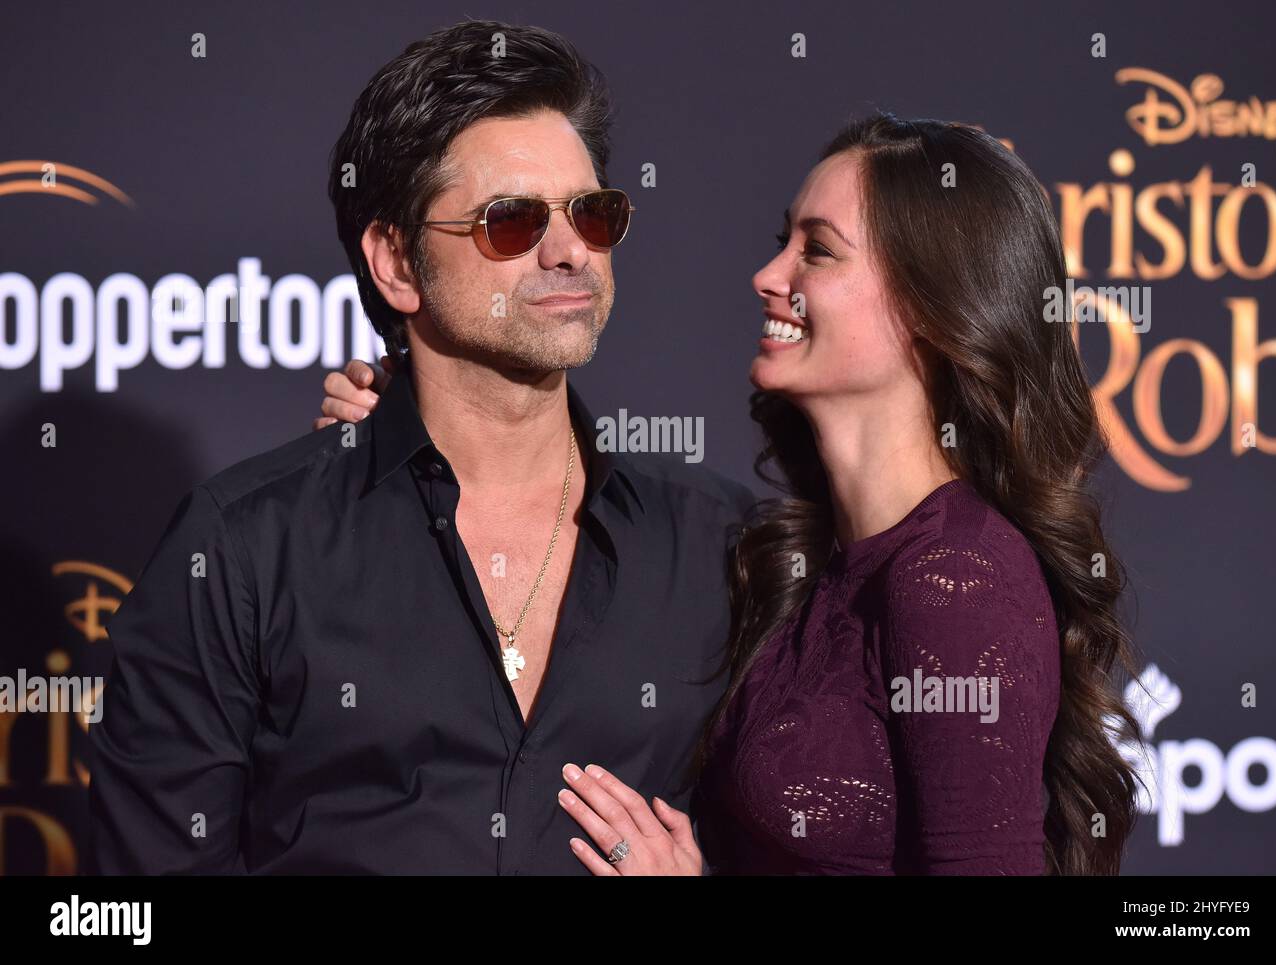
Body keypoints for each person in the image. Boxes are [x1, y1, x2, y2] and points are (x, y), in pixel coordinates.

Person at [323, 115, 1144, 875]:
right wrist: (428, 422)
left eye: (816, 251)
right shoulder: (793, 558)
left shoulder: (958, 575)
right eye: (782, 240)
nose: (766, 274)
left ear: (932, 307)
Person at [88, 19, 752, 875]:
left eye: (593, 213)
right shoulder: (244, 549)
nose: (567, 251)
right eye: (510, 222)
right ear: (396, 262)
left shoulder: (722, 544)